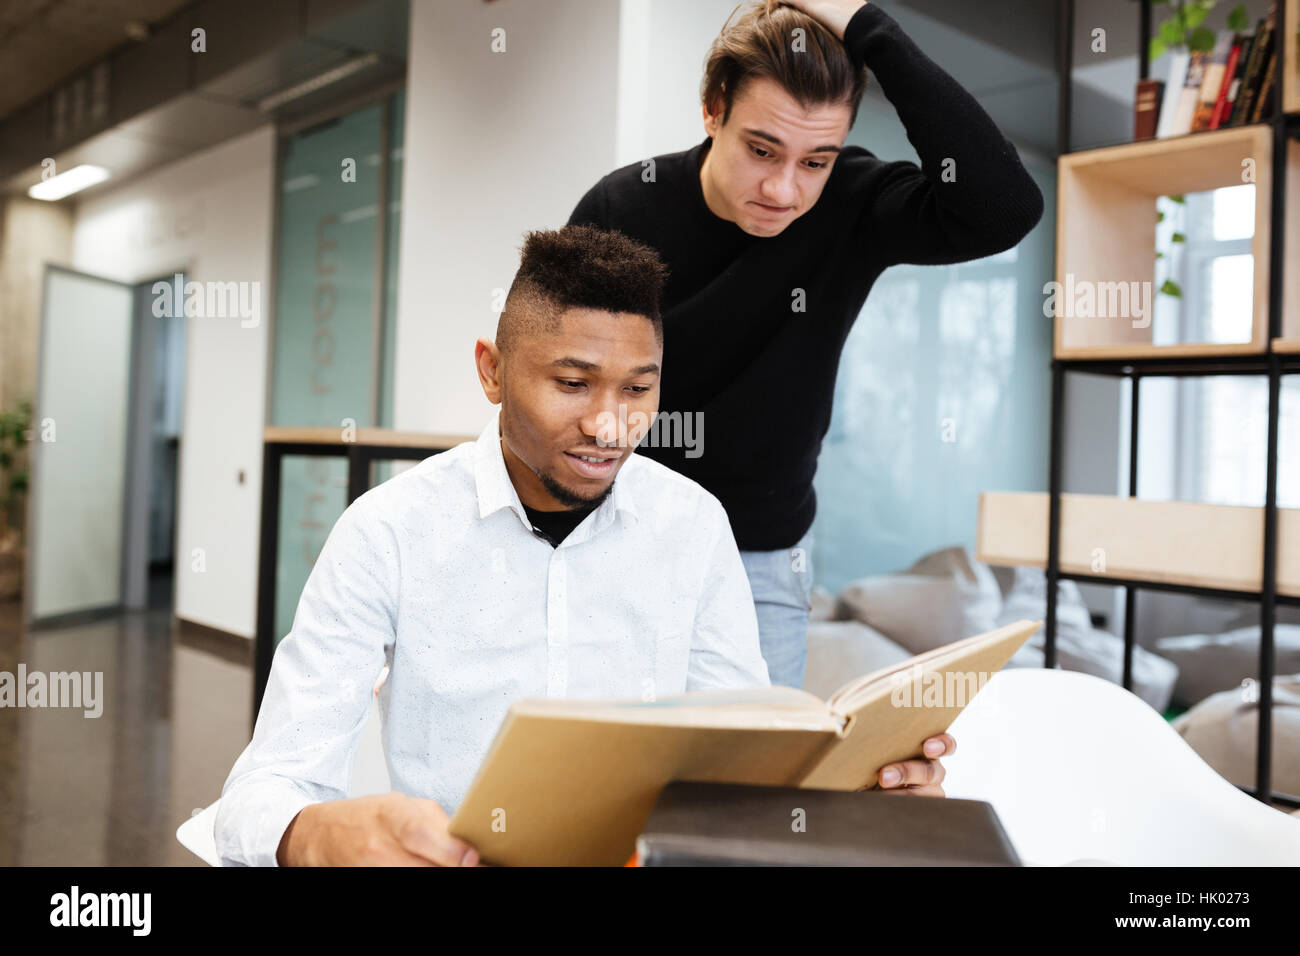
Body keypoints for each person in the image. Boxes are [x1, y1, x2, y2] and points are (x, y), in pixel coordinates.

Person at [215, 224, 959, 867]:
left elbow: (739, 759)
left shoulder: (693, 525)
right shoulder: (388, 532)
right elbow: (262, 790)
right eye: (573, 382)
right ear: (492, 370)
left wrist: (855, 786)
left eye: (638, 391)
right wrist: (310, 835)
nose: (610, 427)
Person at [567, 0, 1045, 690]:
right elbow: (559, 390)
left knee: (754, 787)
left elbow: (1004, 207)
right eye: (761, 150)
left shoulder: (851, 202)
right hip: (618, 538)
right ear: (713, 109)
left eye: (815, 160)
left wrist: (869, 28)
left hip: (764, 556)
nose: (783, 189)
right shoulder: (621, 211)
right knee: (605, 774)